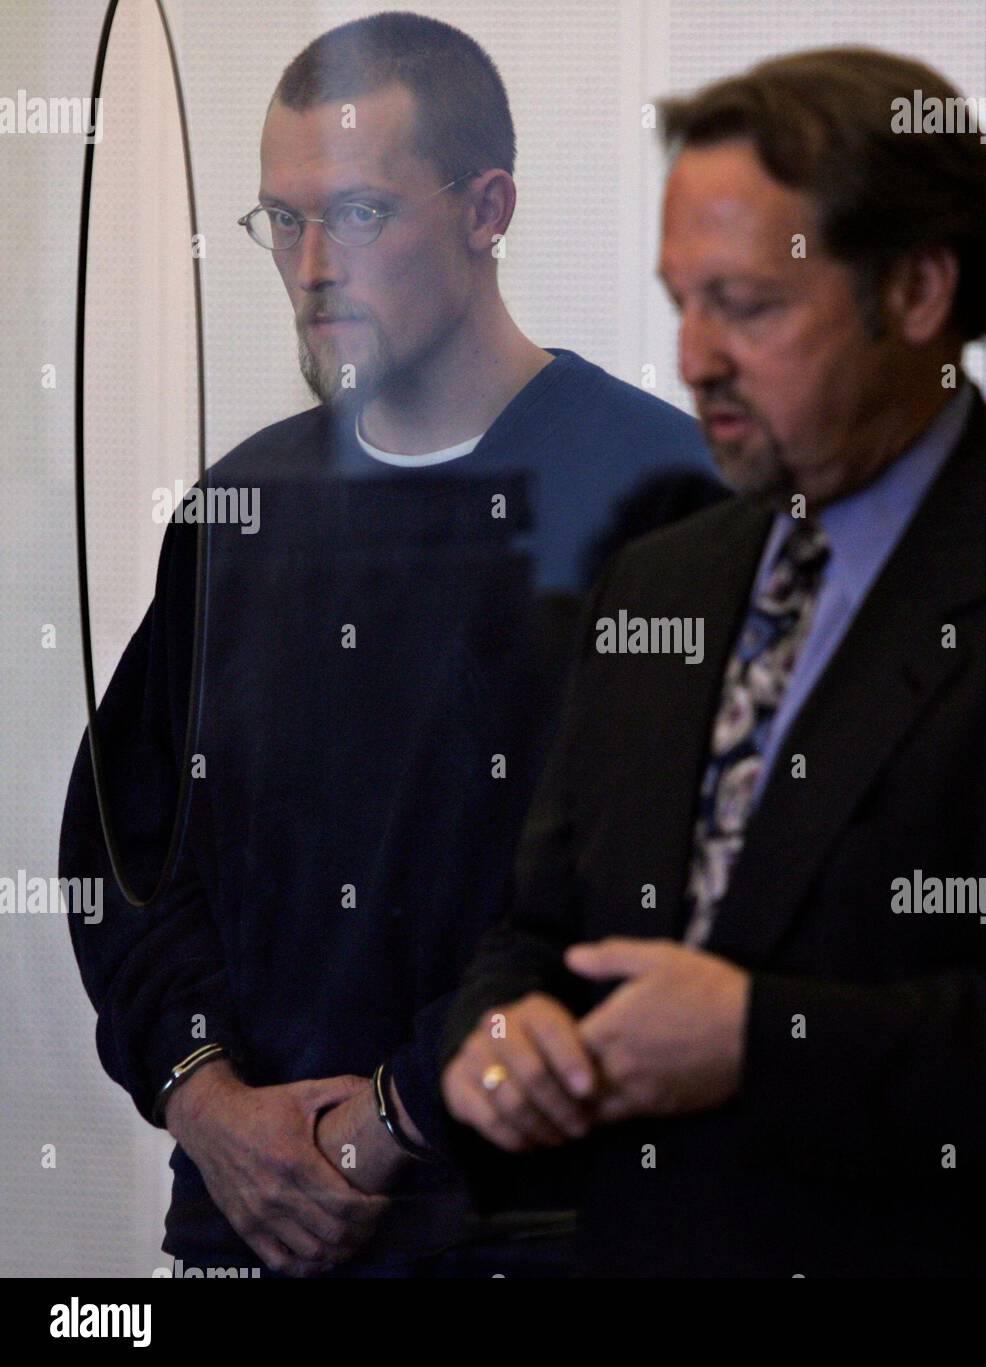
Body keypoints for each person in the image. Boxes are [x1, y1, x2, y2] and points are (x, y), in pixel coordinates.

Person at [436, 48, 986, 1277]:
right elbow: (541, 926)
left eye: (748, 305)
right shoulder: (658, 584)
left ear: (920, 292)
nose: (697, 358)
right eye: (683, 303)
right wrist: (500, 1030)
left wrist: (767, 1039)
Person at [60, 11, 718, 1279]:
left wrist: (385, 1122)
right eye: (281, 220)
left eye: (358, 215)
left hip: (543, 1241)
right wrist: (205, 1096)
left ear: (487, 209)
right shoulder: (240, 512)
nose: (310, 267)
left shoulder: (666, 496)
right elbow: (121, 850)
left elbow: (670, 900)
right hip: (251, 1231)